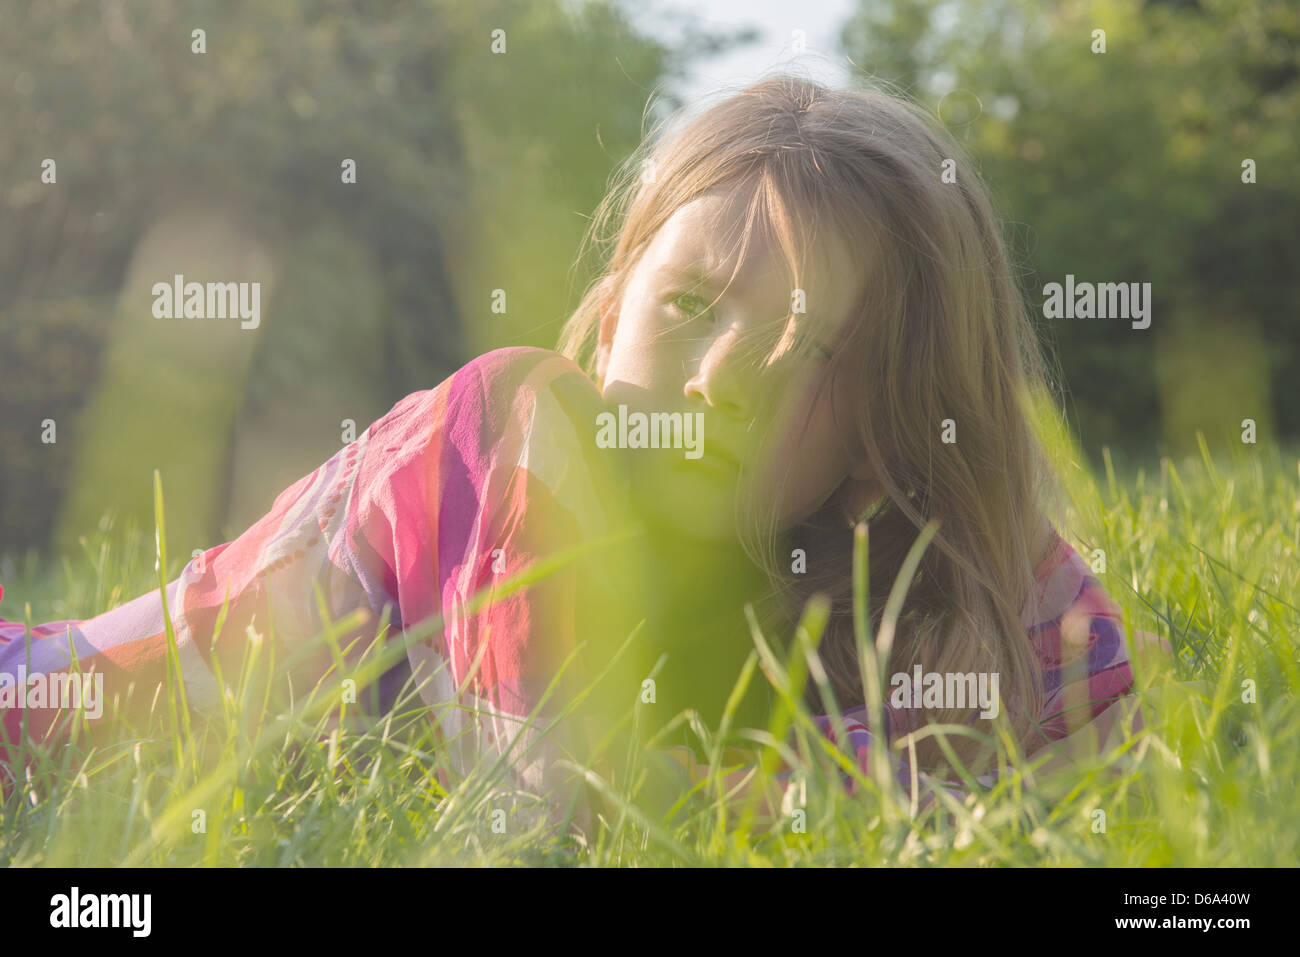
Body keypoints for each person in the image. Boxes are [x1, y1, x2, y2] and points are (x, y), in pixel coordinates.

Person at [0, 75, 1170, 832]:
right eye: (692, 306)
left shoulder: (856, 580)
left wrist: (975, 523)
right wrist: (919, 795)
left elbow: (1093, 716)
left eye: (815, 352)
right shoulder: (509, 432)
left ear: (888, 423)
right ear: (611, 317)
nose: (722, 382)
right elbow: (563, 803)